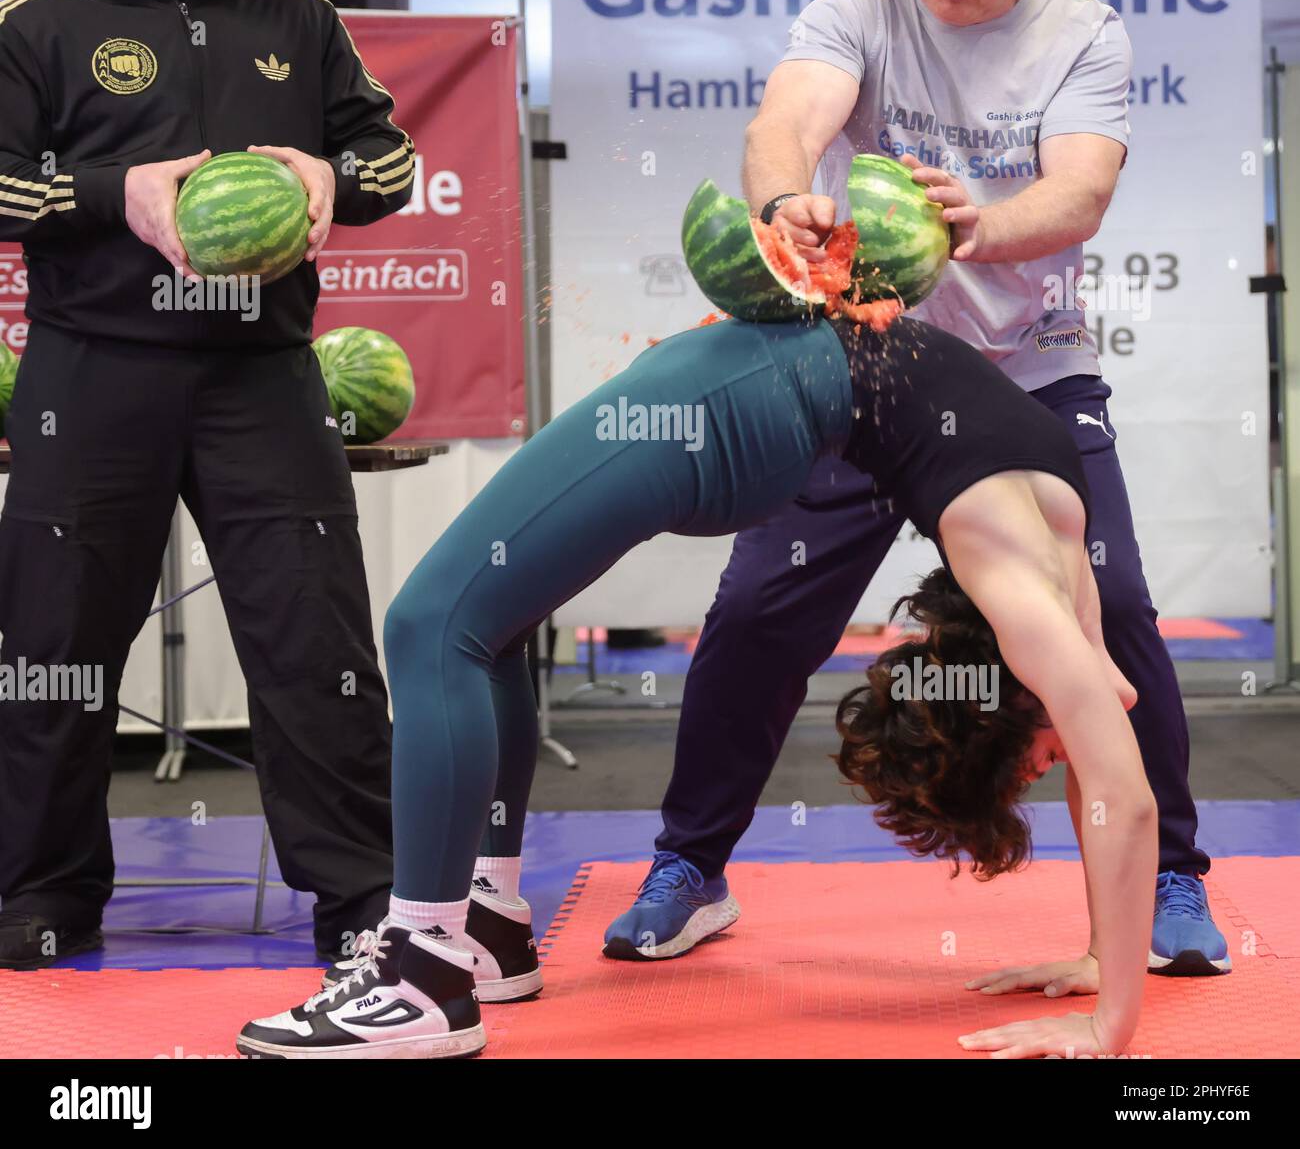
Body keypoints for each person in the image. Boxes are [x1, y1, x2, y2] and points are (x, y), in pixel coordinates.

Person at [603, 0, 1229, 980]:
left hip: (1028, 379)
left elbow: (1080, 193)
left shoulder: (1087, 35)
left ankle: (1176, 874)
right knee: (753, 611)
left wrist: (979, 226)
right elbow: (784, 117)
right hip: (869, 369)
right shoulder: (863, 1)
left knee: (1122, 609)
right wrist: (788, 200)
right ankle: (692, 865)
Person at [237, 306, 1156, 1060]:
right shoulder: (1032, 593)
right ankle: (468, 934)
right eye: (1027, 771)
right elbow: (1124, 789)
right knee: (458, 623)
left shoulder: (1045, 582)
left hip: (758, 391)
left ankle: (424, 970)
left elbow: (1108, 758)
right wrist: (1110, 1017)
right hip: (743, 401)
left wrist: (1103, 966)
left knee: (442, 621)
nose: (1050, 766)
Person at [0, 0, 412, 967]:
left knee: (313, 649)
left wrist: (331, 177)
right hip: (94, 374)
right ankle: (39, 892)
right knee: (53, 645)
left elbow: (388, 154)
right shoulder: (36, 27)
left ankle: (362, 902)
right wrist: (109, 193)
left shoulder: (298, 14)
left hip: (262, 374)